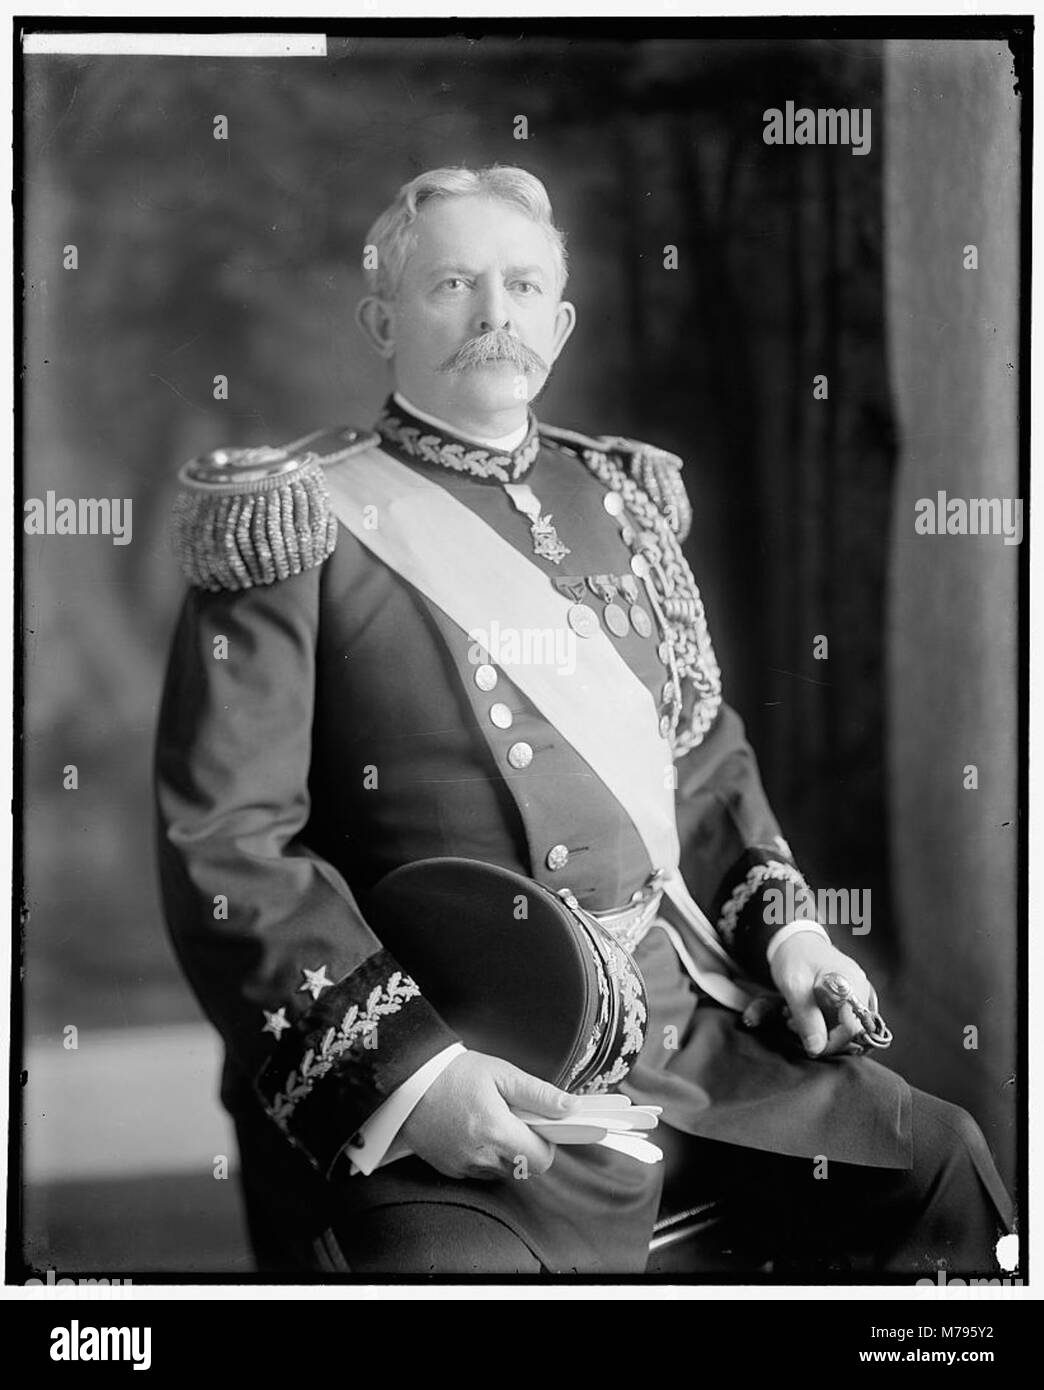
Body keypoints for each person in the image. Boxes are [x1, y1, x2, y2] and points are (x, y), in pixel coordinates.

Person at [154, 164, 1013, 1276]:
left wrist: (788, 933)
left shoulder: (623, 500)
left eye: (520, 285)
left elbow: (700, 758)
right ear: (382, 318)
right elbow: (228, 846)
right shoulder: (292, 520)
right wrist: (415, 1080)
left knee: (943, 1162)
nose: (492, 313)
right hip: (452, 1035)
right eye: (451, 283)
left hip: (685, 1029)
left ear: (558, 324)